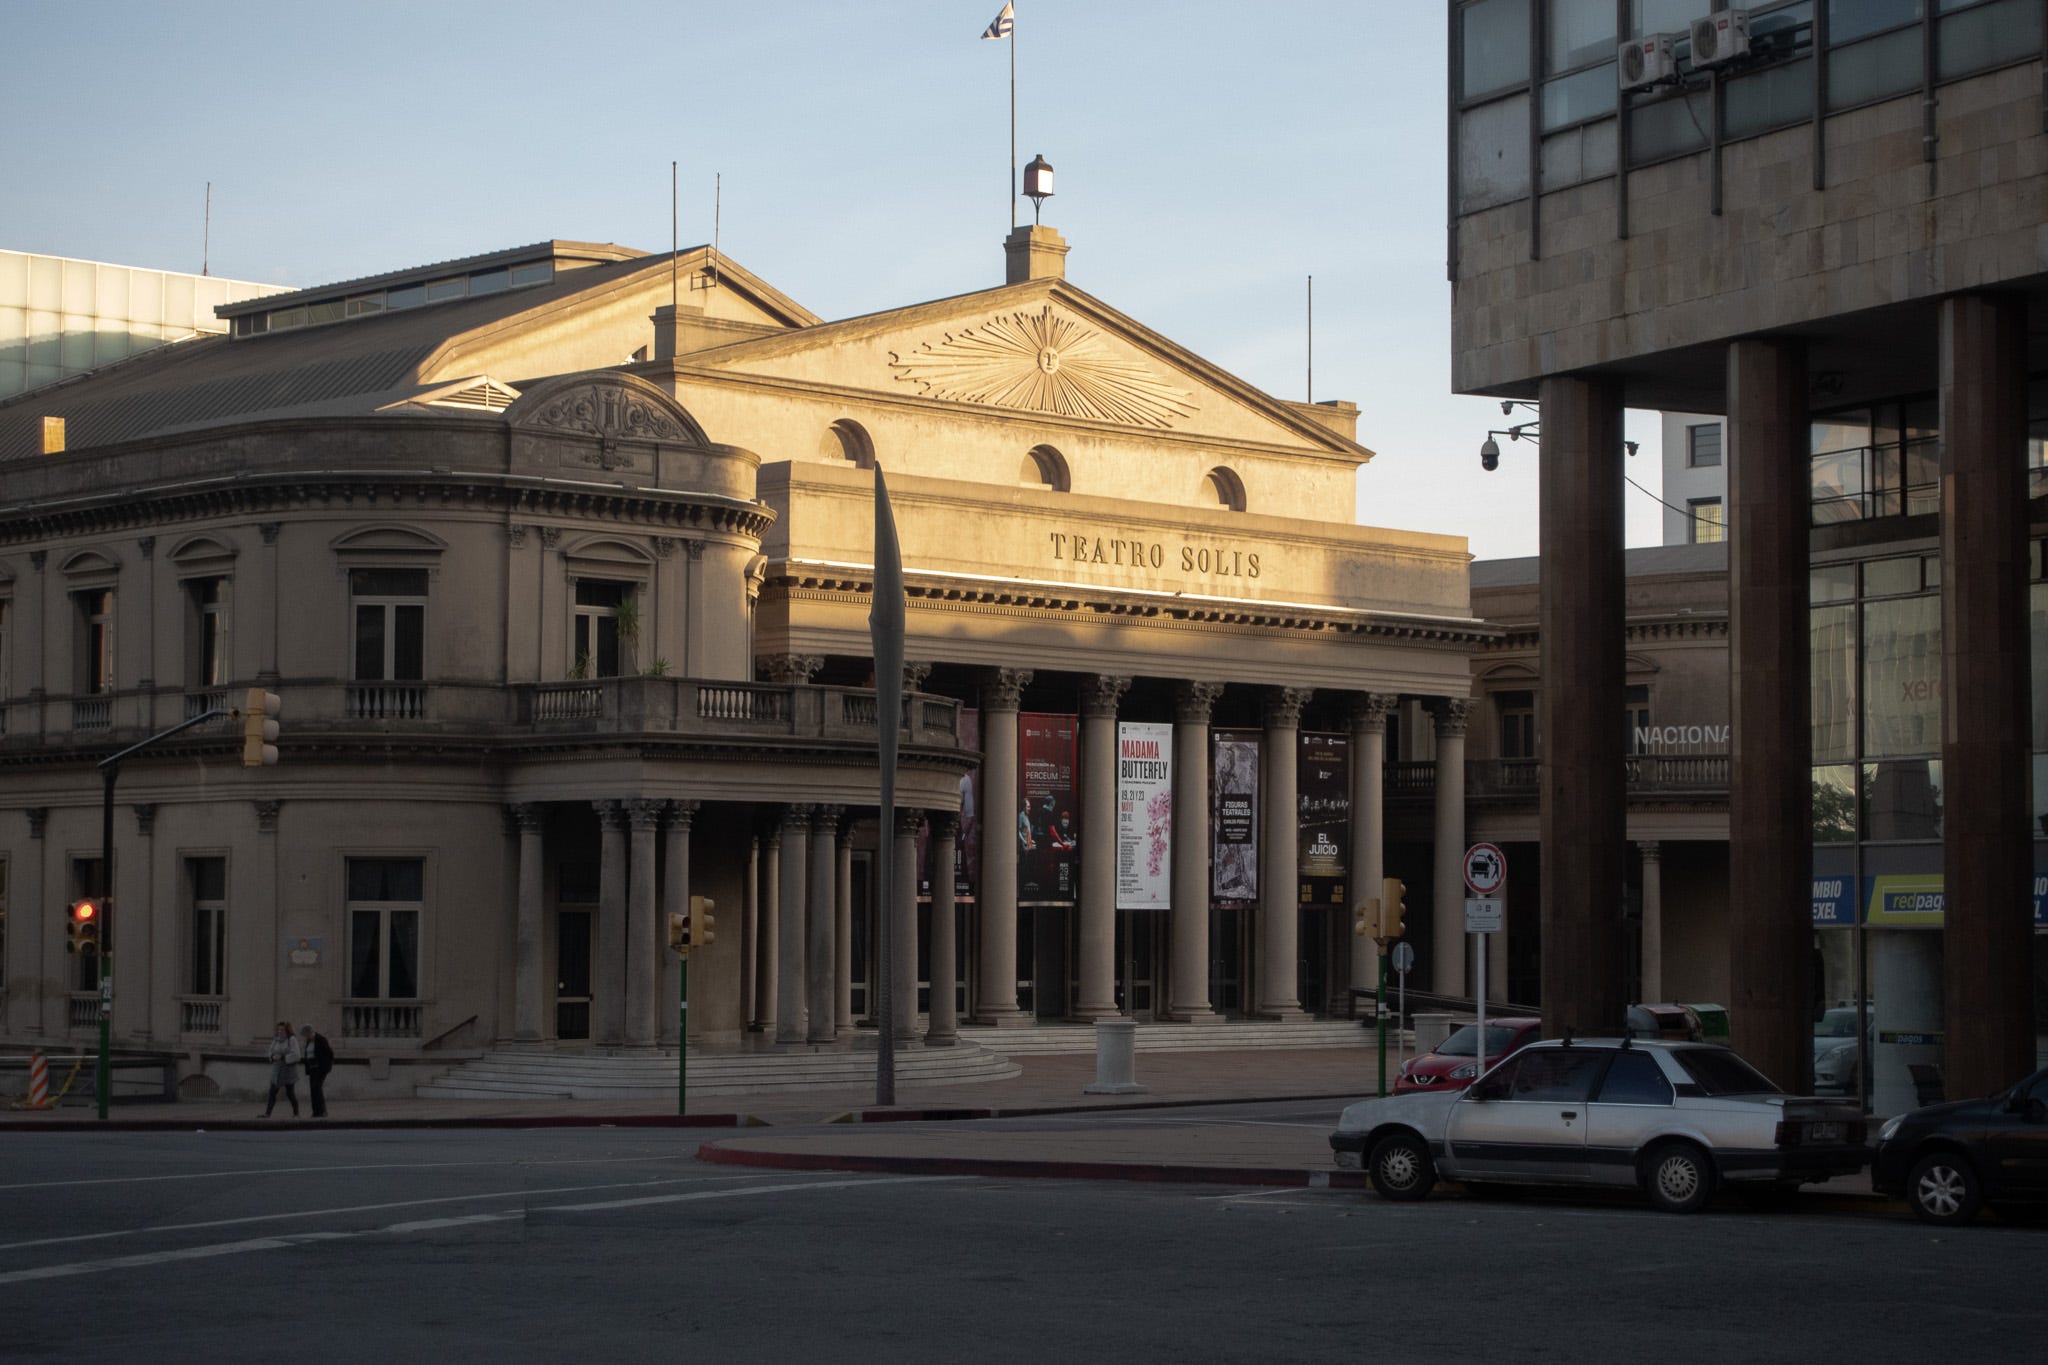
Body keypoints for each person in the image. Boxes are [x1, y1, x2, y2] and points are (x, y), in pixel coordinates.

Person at [263, 1021, 302, 1118]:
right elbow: (270, 1051)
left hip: (288, 1070)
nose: (280, 1031)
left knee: (290, 1093)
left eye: (282, 1030)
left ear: (287, 1030)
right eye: (278, 1029)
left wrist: (283, 1057)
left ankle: (296, 1112)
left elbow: (297, 1055)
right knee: (272, 1091)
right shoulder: (276, 1040)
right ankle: (267, 1113)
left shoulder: (291, 1039)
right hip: (277, 1070)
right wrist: (272, 1057)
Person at [299, 1023, 335, 1118]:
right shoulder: (309, 1041)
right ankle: (315, 1112)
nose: (306, 1037)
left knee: (317, 1088)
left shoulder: (321, 1039)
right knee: (313, 1089)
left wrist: (326, 1066)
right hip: (312, 1068)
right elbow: (308, 1054)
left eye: (306, 1035)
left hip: (321, 1068)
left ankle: (323, 1111)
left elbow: (330, 1053)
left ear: (310, 1032)